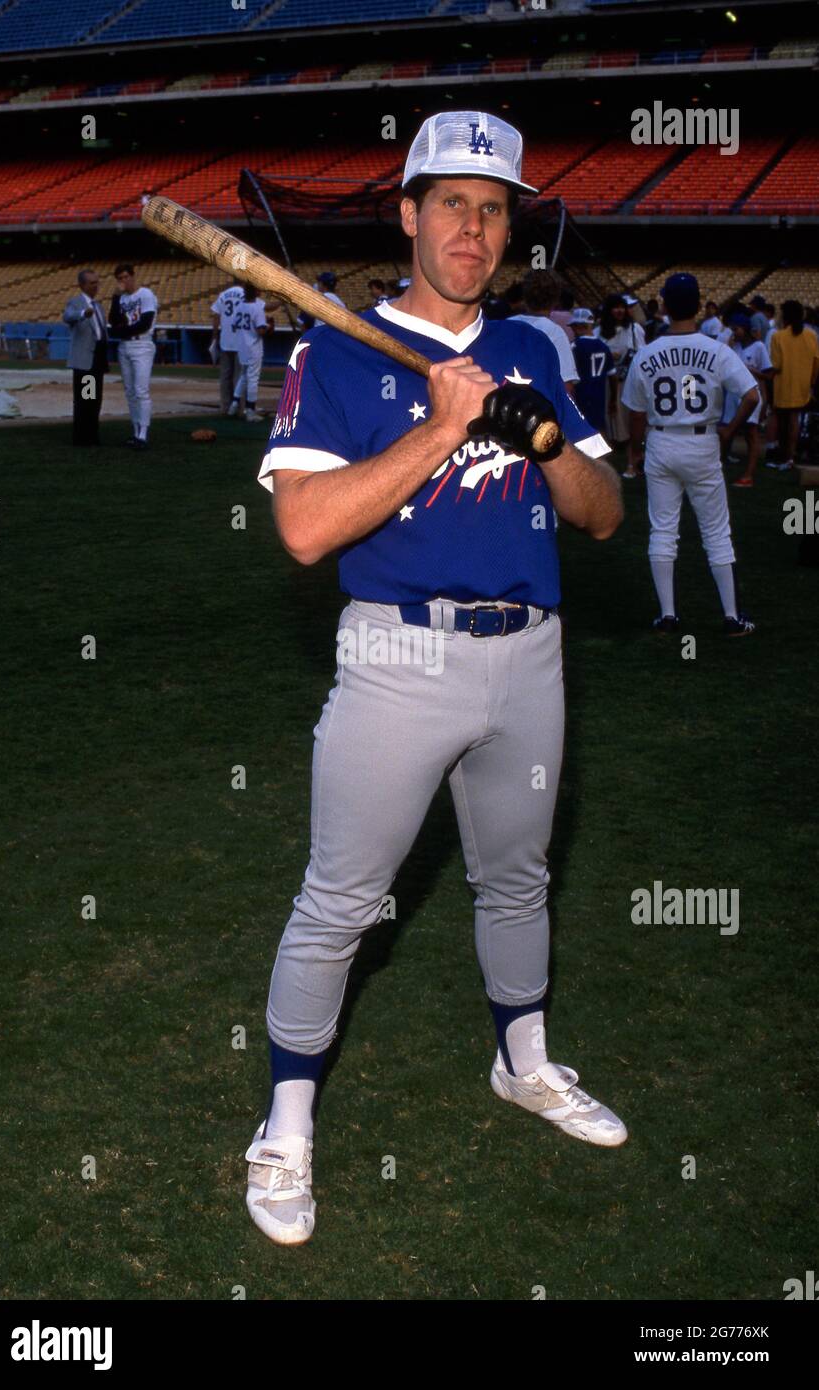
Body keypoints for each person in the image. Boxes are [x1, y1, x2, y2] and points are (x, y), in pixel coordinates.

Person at [248, 109, 625, 1248]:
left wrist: (546, 445)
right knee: (341, 903)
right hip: (399, 655)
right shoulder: (340, 349)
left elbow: (605, 519)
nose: (473, 226)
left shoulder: (538, 351)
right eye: (451, 203)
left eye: (495, 207)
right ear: (408, 214)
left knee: (517, 880)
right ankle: (285, 1126)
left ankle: (526, 1063)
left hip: (532, 656)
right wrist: (443, 428)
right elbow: (306, 529)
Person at [622, 272, 759, 635]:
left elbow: (635, 412)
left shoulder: (647, 352)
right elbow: (751, 395)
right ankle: (731, 617)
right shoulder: (717, 349)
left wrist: (633, 454)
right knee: (716, 532)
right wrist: (730, 429)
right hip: (702, 441)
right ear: (699, 304)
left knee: (663, 531)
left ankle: (668, 616)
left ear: (664, 306)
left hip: (662, 441)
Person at [108, 263, 157, 451]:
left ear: (133, 276)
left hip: (142, 343)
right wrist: (115, 297)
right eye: (119, 278)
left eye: (125, 277)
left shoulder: (145, 294)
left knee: (140, 390)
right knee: (129, 391)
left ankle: (143, 433)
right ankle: (136, 431)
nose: (123, 281)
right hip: (125, 345)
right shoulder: (121, 298)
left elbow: (144, 323)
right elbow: (113, 320)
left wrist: (121, 331)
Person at [721, 313, 773, 488]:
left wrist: (752, 371)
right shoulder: (734, 347)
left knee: (751, 433)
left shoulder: (758, 347)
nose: (733, 333)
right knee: (727, 431)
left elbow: (769, 374)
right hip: (732, 395)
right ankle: (719, 469)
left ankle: (749, 474)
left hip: (751, 392)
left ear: (745, 329)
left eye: (736, 329)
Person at [511, 270, 579, 398]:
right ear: (556, 300)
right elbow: (566, 385)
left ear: (524, 297)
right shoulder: (554, 332)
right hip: (539, 404)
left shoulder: (507, 324)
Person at [769, 299, 819, 470]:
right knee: (794, 420)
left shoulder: (778, 336)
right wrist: (811, 382)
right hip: (803, 384)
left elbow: (777, 365)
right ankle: (790, 457)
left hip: (783, 384)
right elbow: (816, 361)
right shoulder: (811, 335)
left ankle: (782, 454)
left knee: (782, 421)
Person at [62, 268, 108, 447]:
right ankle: (82, 438)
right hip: (85, 361)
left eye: (97, 282)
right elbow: (68, 317)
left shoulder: (98, 306)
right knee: (85, 400)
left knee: (95, 399)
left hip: (98, 358)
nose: (96, 286)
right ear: (82, 285)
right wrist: (83, 314)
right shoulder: (75, 303)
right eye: (92, 283)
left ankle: (92, 436)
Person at [600, 292, 645, 457]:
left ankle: (628, 442)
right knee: (609, 408)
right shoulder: (600, 331)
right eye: (615, 308)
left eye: (622, 307)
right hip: (607, 378)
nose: (619, 311)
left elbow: (642, 352)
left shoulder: (634, 329)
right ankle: (611, 440)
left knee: (626, 410)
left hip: (628, 378)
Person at [570, 307, 616, 437]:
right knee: (599, 427)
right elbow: (612, 376)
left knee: (582, 429)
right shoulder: (604, 346)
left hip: (581, 393)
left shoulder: (575, 346)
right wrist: (613, 399)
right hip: (599, 393)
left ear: (578, 326)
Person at [229, 287, 272, 422]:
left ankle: (234, 404)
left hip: (242, 346)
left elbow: (234, 326)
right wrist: (269, 326)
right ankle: (251, 411)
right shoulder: (257, 309)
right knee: (253, 378)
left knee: (244, 375)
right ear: (256, 293)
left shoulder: (240, 306)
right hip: (253, 346)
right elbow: (260, 331)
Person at [211, 280, 245, 414]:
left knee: (225, 376)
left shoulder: (223, 294)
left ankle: (225, 406)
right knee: (240, 376)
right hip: (241, 341)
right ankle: (239, 408)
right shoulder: (245, 294)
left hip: (226, 340)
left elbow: (215, 316)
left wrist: (215, 336)